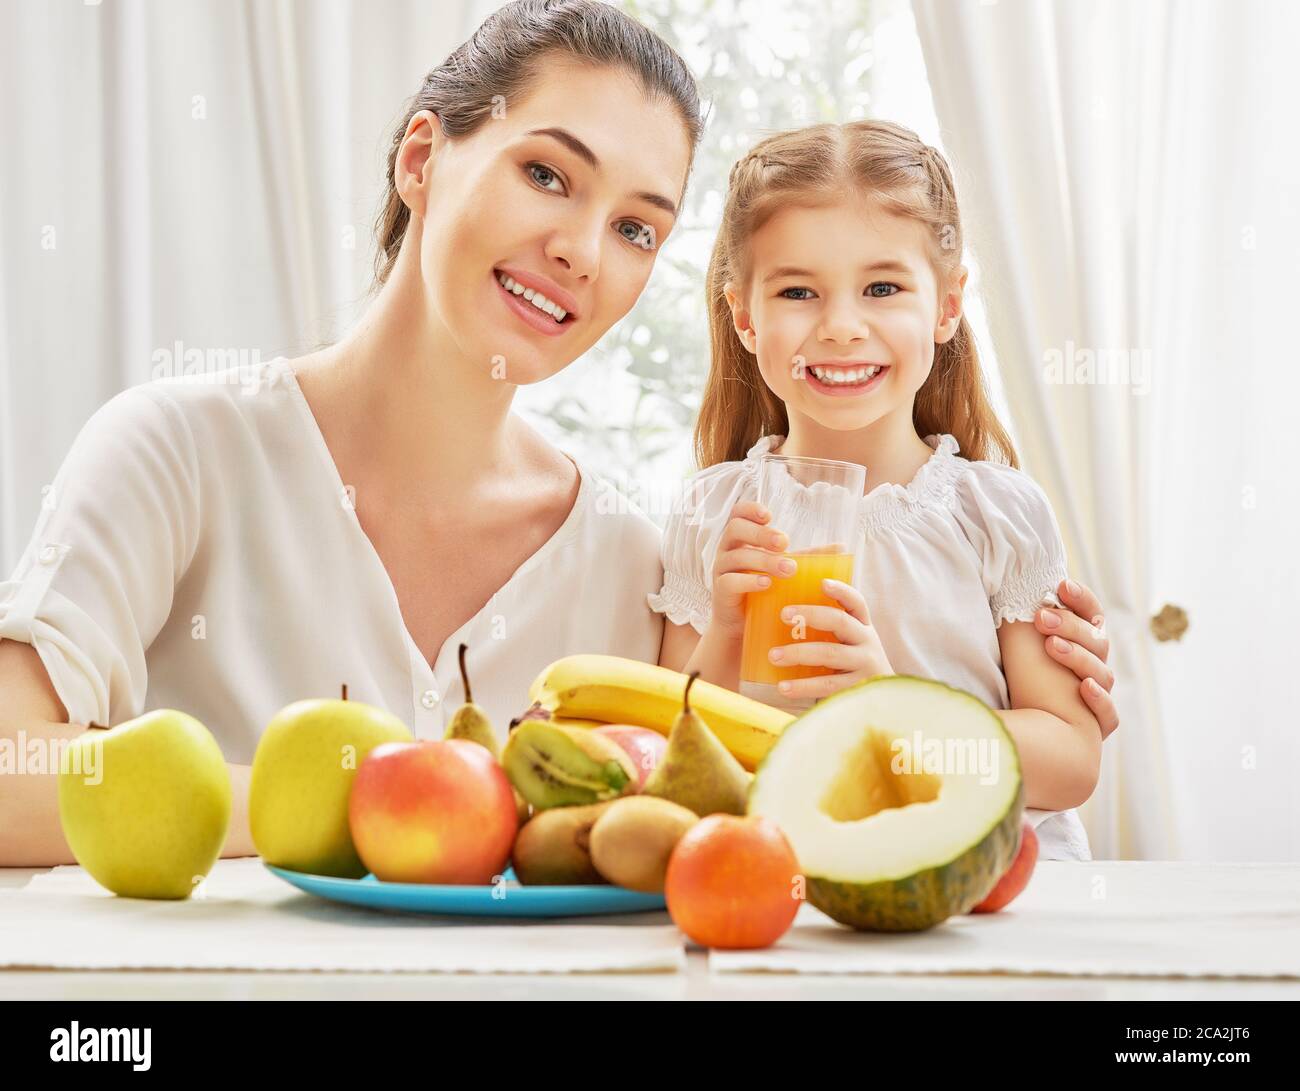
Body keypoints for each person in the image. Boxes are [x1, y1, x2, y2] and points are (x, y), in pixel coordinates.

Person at [0, 2, 1114, 869]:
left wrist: (977, 732)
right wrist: (371, 793)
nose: (584, 248)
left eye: (636, 226)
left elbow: (689, 820)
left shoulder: (628, 562)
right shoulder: (178, 449)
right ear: (422, 159)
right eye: (547, 173)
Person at [651, 120, 1112, 860]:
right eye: (798, 290)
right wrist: (728, 632)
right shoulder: (714, 515)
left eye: (882, 287)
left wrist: (892, 709)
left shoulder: (996, 512)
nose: (840, 326)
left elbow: (1069, 758)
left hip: (983, 889)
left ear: (947, 305)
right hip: (805, 885)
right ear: (744, 316)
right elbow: (672, 754)